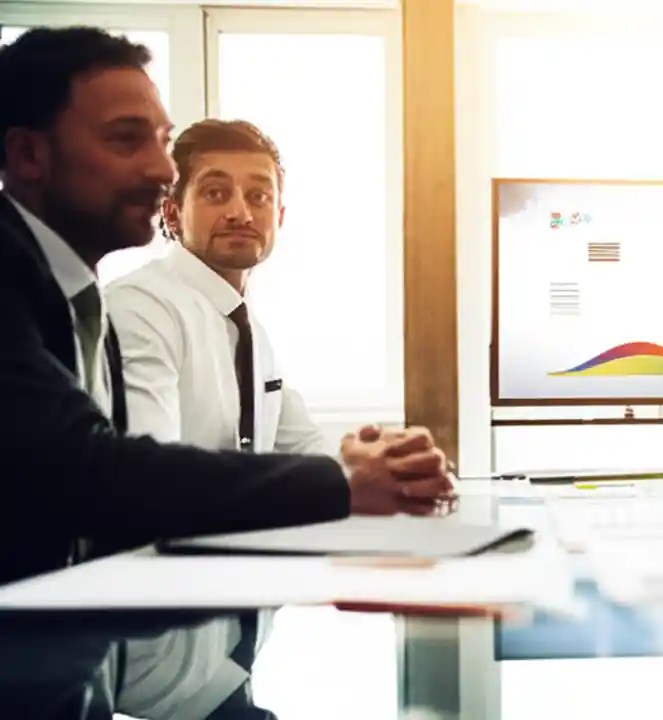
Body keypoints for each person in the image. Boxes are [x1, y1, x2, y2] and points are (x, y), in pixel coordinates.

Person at [0, 27, 453, 586]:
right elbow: (108, 476)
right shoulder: (129, 303)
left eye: (161, 144)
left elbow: (303, 446)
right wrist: (344, 482)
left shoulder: (235, 323)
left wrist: (386, 462)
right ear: (27, 154)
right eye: (126, 140)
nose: (161, 170)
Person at [107, 118, 358, 455]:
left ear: (279, 217)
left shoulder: (248, 328)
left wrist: (383, 465)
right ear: (172, 213)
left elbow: (304, 446)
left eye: (259, 196)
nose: (241, 213)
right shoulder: (140, 309)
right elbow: (151, 468)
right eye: (215, 194)